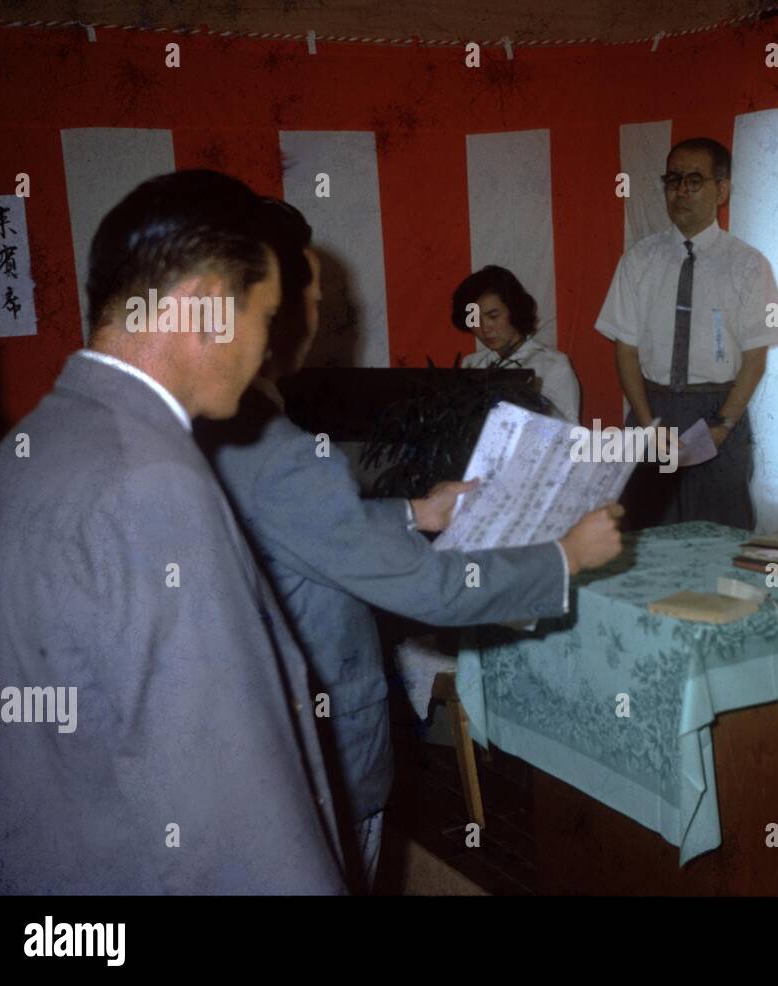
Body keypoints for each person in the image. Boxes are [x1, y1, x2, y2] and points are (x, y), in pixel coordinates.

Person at [198, 203, 623, 893]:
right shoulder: (279, 450)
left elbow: (312, 534)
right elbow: (431, 588)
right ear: (269, 310)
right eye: (310, 295)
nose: (322, 312)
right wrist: (565, 557)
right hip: (318, 750)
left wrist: (416, 509)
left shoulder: (214, 420)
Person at [0, 170, 347, 893]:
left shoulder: (29, 447)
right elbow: (236, 806)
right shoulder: (152, 483)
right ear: (209, 305)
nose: (267, 347)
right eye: (266, 315)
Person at [595, 137, 778, 531]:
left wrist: (723, 425)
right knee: (644, 539)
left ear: (722, 190)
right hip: (652, 409)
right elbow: (626, 350)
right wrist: (648, 424)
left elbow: (755, 358)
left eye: (694, 181)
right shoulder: (639, 260)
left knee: (720, 540)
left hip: (718, 414)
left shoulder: (749, 265)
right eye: (673, 180)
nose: (681, 191)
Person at [454, 265, 581, 422]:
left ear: (514, 311)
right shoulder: (471, 364)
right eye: (475, 320)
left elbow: (567, 436)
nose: (485, 327)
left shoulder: (553, 365)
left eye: (493, 316)